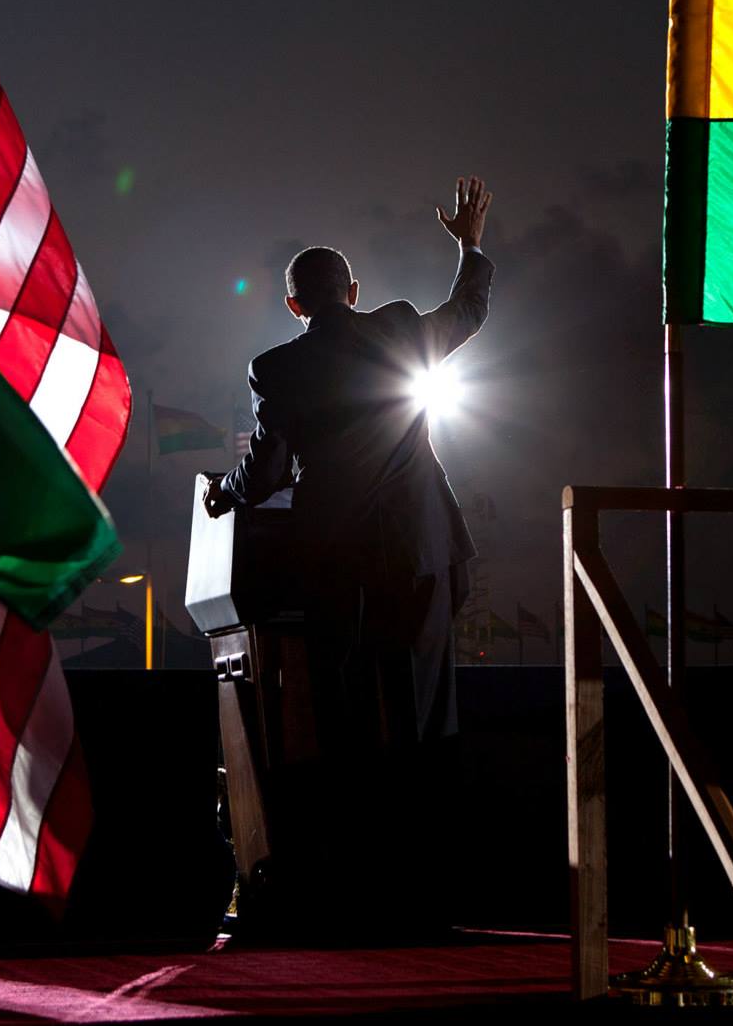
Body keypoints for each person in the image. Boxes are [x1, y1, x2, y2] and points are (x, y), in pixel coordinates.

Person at [203, 175, 494, 932]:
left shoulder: (277, 368)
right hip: (423, 550)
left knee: (347, 717)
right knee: (425, 716)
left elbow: (266, 473)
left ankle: (352, 889)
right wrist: (469, 245)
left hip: (336, 560)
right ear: (355, 293)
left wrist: (220, 494)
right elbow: (468, 310)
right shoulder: (398, 327)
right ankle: (429, 893)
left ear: (293, 305)